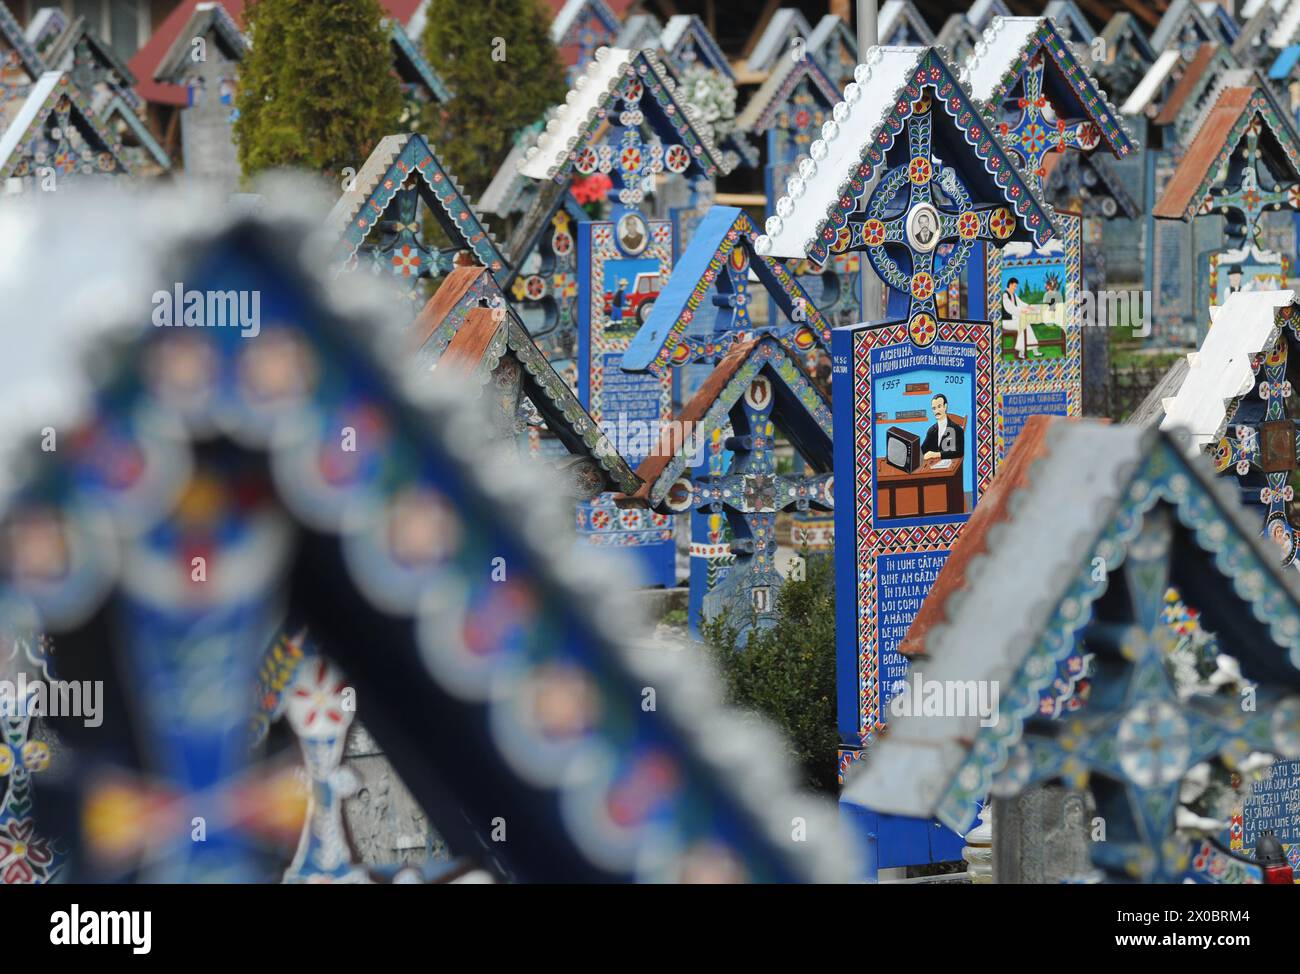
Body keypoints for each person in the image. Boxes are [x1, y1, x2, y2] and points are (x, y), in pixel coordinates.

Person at [1001, 277, 1041, 359]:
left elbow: (1021, 303)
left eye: (1016, 286)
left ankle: (1033, 349)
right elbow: (1011, 309)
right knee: (1023, 324)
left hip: (1014, 320)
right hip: (1007, 322)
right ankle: (1023, 351)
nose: (1015, 288)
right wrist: (1022, 311)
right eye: (1015, 286)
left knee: (1026, 325)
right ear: (1010, 284)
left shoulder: (1014, 295)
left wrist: (1029, 307)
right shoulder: (1005, 296)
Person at [922, 393, 964, 461]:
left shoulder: (957, 429)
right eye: (934, 408)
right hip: (933, 466)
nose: (937, 411)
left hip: (951, 466)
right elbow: (923, 449)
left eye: (939, 406)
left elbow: (959, 452)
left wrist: (936, 454)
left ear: (945, 406)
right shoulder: (931, 430)